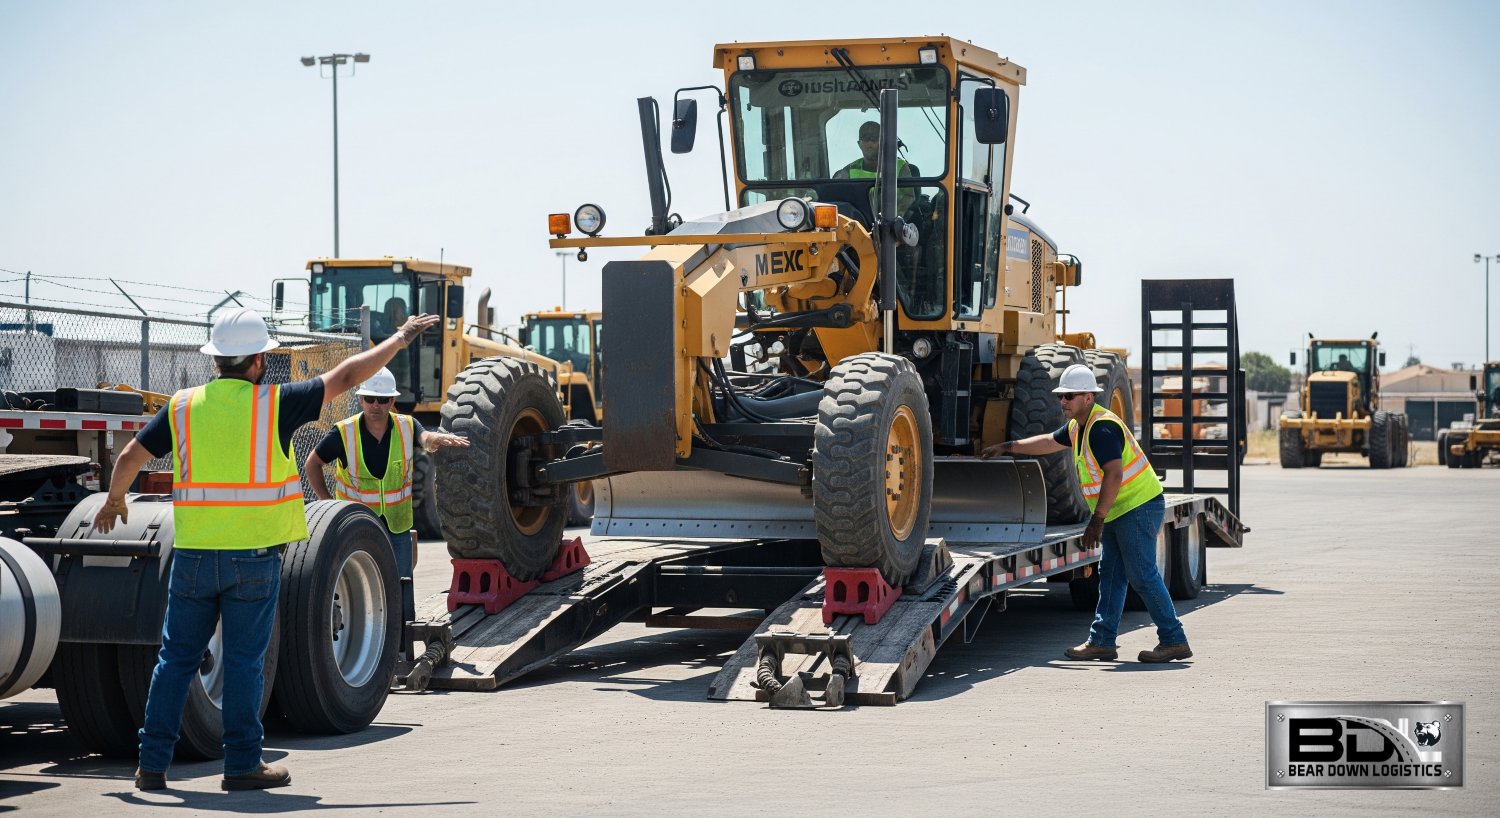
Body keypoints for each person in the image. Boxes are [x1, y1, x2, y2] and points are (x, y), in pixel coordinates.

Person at [93, 306, 440, 792]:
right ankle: (241, 766)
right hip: (253, 560)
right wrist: (400, 337)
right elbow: (346, 376)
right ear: (258, 360)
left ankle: (152, 765)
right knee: (242, 663)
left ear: (216, 360)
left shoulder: (182, 406)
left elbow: (130, 455)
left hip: (192, 556)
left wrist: (113, 501)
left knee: (175, 660)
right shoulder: (276, 404)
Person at [981, 363, 1191, 663]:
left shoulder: (1101, 428)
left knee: (1141, 574)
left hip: (1137, 506)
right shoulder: (1079, 426)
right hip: (1120, 509)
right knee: (1111, 577)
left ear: (1088, 397)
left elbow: (1114, 475)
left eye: (1069, 396)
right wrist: (1009, 446)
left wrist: (1097, 518)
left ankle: (1174, 639)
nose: (1063, 402)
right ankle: (1102, 641)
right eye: (1061, 396)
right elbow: (1048, 442)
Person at [303, 367, 468, 625]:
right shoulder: (344, 433)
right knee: (357, 591)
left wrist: (435, 438)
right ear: (360, 400)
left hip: (396, 527)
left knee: (401, 589)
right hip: (355, 528)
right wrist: (326, 502)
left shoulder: (407, 427)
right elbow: (312, 464)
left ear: (392, 401)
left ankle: (403, 644)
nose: (376, 405)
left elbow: (424, 438)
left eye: (382, 400)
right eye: (370, 399)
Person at [833, 120, 916, 215]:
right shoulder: (848, 171)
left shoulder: (900, 167)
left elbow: (909, 196)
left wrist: (892, 218)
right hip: (857, 225)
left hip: (894, 225)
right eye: (865, 139)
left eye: (874, 139)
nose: (869, 144)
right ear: (859, 144)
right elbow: (836, 199)